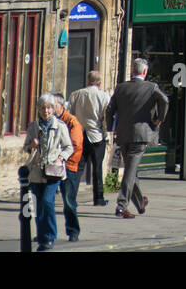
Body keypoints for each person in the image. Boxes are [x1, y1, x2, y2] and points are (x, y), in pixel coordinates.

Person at [105, 57, 168, 218]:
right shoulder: (151, 87)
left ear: (132, 71)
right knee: (130, 171)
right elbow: (165, 100)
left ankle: (140, 202)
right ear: (145, 72)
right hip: (141, 134)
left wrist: (110, 127)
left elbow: (109, 109)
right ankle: (121, 206)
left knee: (131, 170)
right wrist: (160, 119)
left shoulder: (121, 88)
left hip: (123, 134)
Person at [24, 94, 73, 251]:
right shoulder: (33, 127)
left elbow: (69, 147)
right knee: (38, 205)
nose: (46, 111)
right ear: (38, 109)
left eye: (49, 108)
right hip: (37, 171)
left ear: (53, 109)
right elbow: (26, 147)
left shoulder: (60, 126)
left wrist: (60, 158)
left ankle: (50, 236)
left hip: (53, 171)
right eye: (43, 108)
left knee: (47, 202)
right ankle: (42, 234)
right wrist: (32, 145)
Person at [68, 70, 112, 206]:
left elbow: (71, 115)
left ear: (88, 80)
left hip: (80, 134)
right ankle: (98, 198)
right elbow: (105, 119)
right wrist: (106, 134)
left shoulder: (76, 95)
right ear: (99, 82)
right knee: (97, 167)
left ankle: (71, 197)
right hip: (96, 135)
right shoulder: (104, 96)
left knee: (78, 167)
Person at [53, 94, 85, 242]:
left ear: (61, 106)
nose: (50, 109)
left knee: (68, 201)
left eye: (53, 106)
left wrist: (65, 161)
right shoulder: (50, 121)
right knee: (46, 201)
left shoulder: (72, 122)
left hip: (67, 166)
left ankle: (73, 231)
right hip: (51, 166)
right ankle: (47, 231)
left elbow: (75, 146)